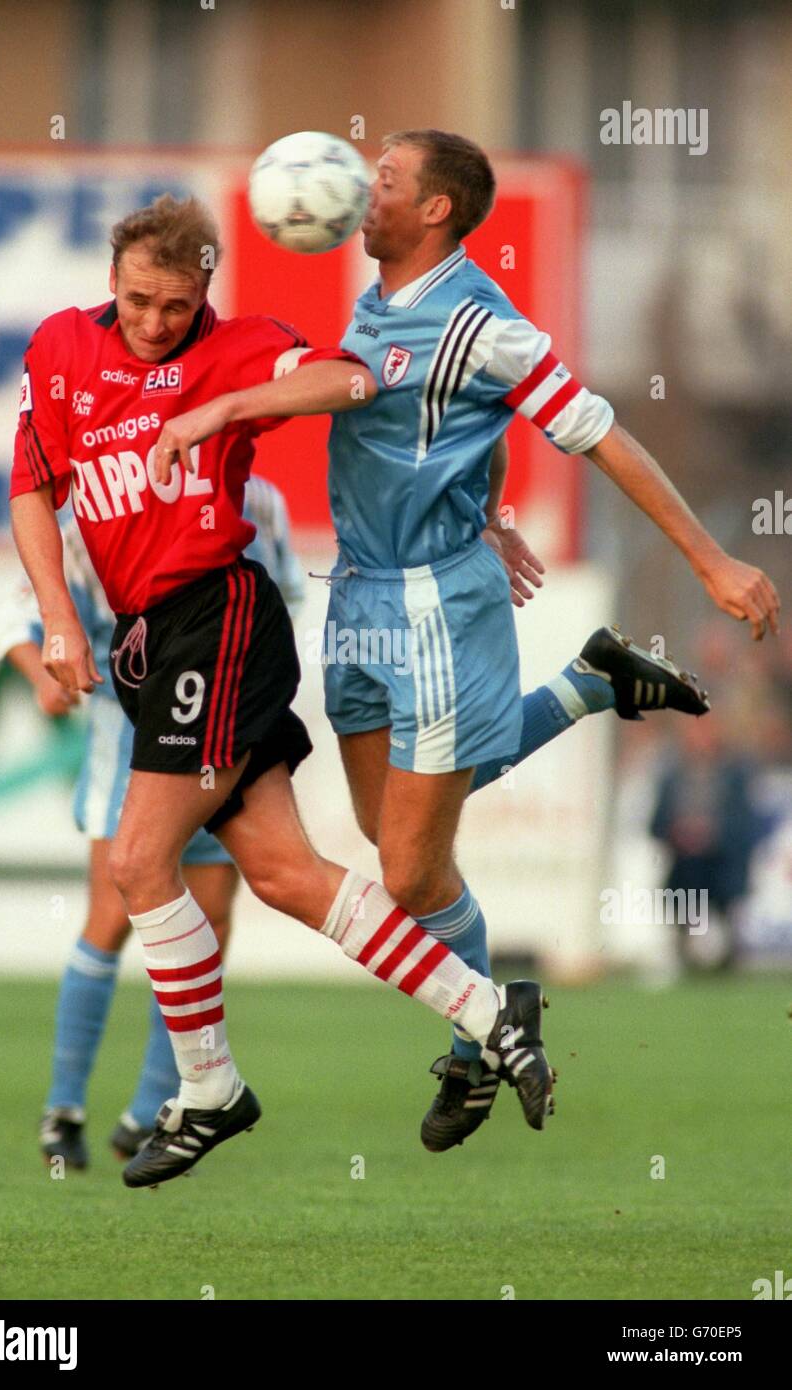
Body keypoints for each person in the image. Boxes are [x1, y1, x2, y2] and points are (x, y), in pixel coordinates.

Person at [160, 132, 779, 1156]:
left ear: (438, 210)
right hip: (355, 591)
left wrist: (712, 562)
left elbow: (597, 432)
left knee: (405, 876)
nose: (366, 190)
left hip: (433, 609)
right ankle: (588, 684)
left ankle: (474, 1036)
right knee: (396, 838)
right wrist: (484, 507)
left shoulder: (483, 323)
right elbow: (434, 431)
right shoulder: (378, 302)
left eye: (389, 180)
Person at [9, 193, 549, 1191]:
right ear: (111, 280)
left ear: (205, 287)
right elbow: (31, 486)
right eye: (138, 300)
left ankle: (207, 1085)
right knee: (286, 873)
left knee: (137, 860)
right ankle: (486, 1009)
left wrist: (220, 407)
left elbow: (347, 380)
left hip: (216, 620)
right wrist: (55, 616)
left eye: (176, 304)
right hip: (147, 640)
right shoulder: (58, 351)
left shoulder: (242, 345)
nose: (156, 321)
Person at [0, 478, 304, 1169]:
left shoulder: (262, 504)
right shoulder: (99, 506)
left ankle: (156, 1107)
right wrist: (43, 676)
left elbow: (284, 602)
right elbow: (17, 618)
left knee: (211, 917)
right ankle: (63, 1110)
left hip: (221, 721)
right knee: (113, 914)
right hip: (125, 730)